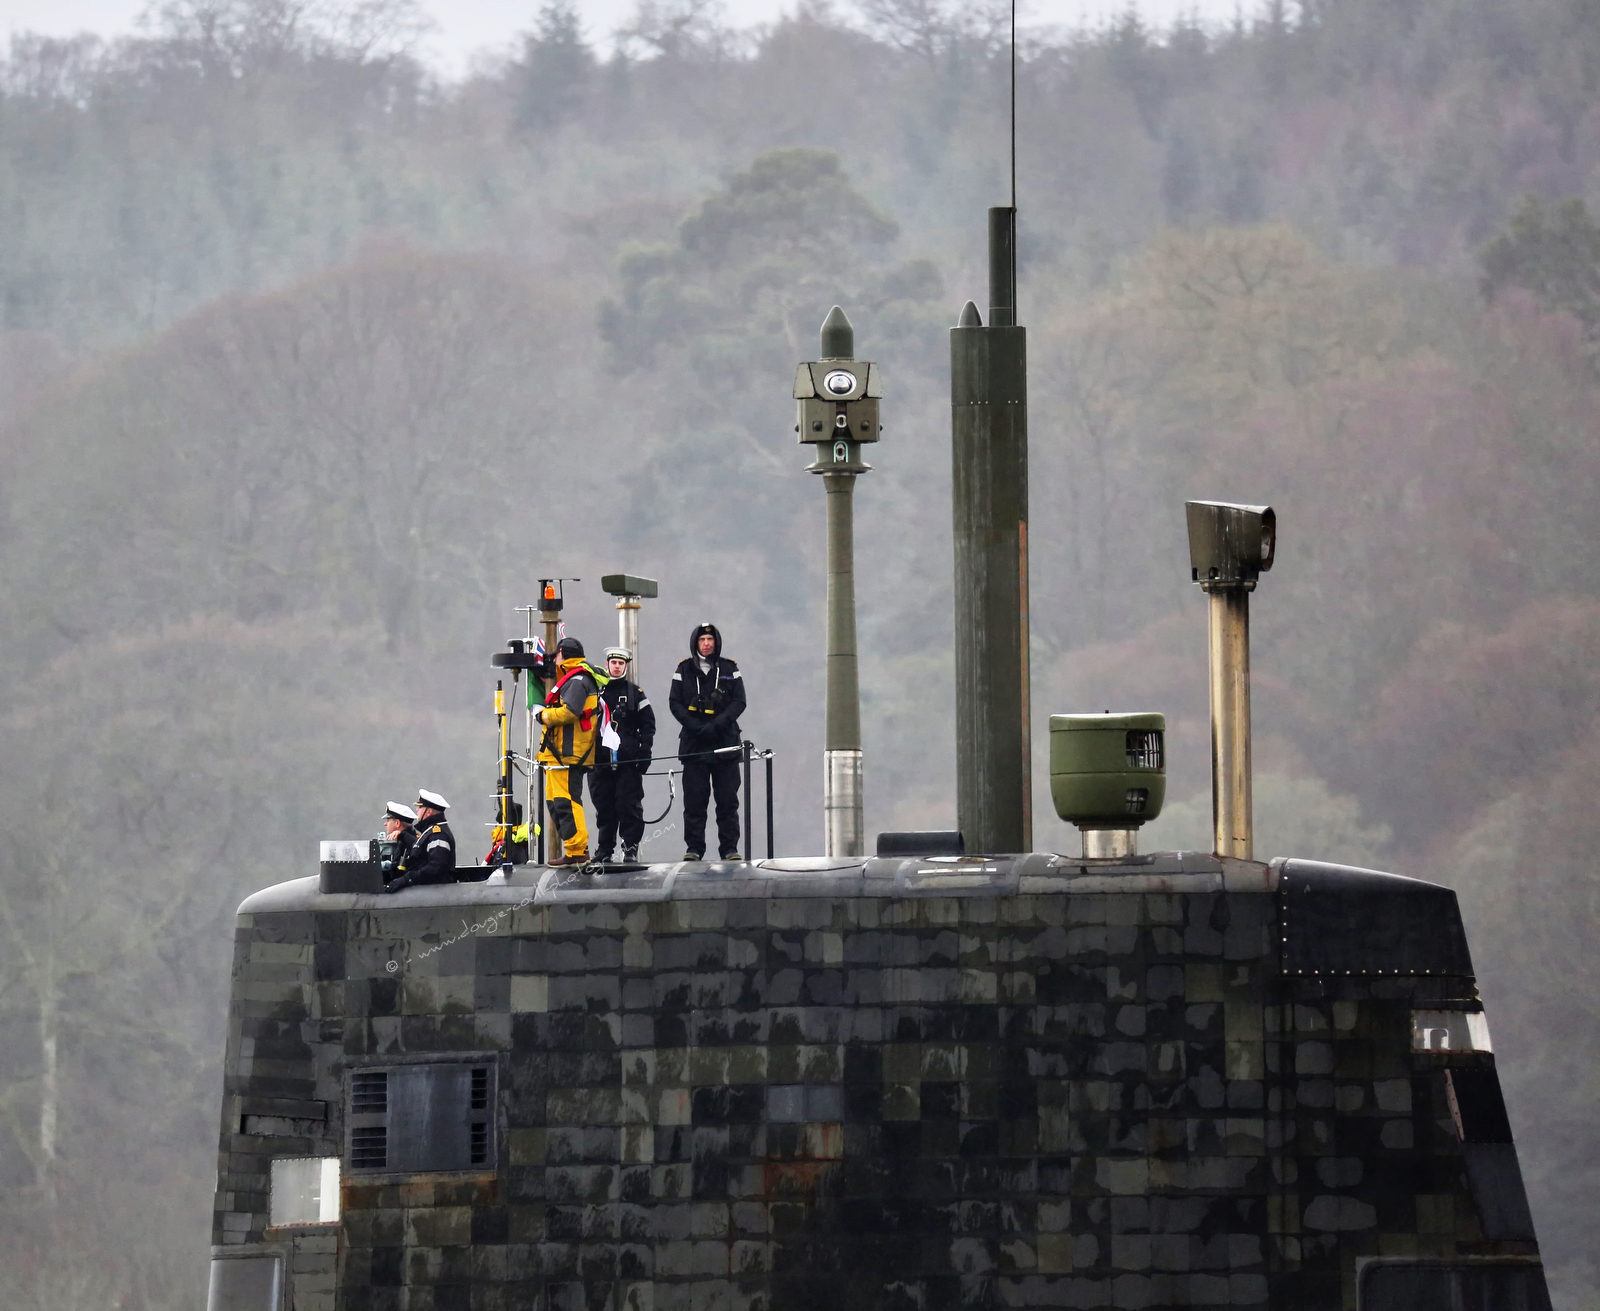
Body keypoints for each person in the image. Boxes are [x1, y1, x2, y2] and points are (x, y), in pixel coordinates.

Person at [669, 622, 746, 861]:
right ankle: (694, 848)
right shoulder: (684, 669)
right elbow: (675, 703)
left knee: (727, 801)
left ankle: (729, 849)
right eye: (702, 640)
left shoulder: (729, 668)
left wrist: (717, 725)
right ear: (696, 643)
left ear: (716, 643)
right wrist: (697, 727)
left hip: (724, 743)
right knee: (694, 801)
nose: (706, 644)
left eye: (710, 640)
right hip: (695, 746)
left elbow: (739, 701)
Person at [533, 636, 602, 867]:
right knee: (555, 802)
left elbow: (570, 712)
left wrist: (543, 715)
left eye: (557, 655)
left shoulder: (578, 680)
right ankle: (574, 848)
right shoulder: (573, 679)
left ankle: (577, 850)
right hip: (558, 754)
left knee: (567, 801)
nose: (554, 660)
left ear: (564, 654)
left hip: (568, 753)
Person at [591, 646, 656, 864]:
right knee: (604, 808)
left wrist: (644, 751)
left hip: (628, 760)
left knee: (629, 806)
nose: (617, 667)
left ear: (625, 666)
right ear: (607, 664)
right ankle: (605, 850)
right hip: (601, 760)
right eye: (613, 663)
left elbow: (648, 725)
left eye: (621, 663)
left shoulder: (634, 693)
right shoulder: (596, 692)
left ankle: (630, 849)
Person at [385, 790, 455, 891]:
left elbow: (436, 867)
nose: (417, 810)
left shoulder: (438, 834)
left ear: (429, 811)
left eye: (420, 807)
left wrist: (406, 879)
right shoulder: (429, 832)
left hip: (434, 891)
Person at [378, 801, 417, 886]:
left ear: (397, 823)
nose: (385, 824)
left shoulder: (412, 843)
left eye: (388, 820)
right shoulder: (399, 842)